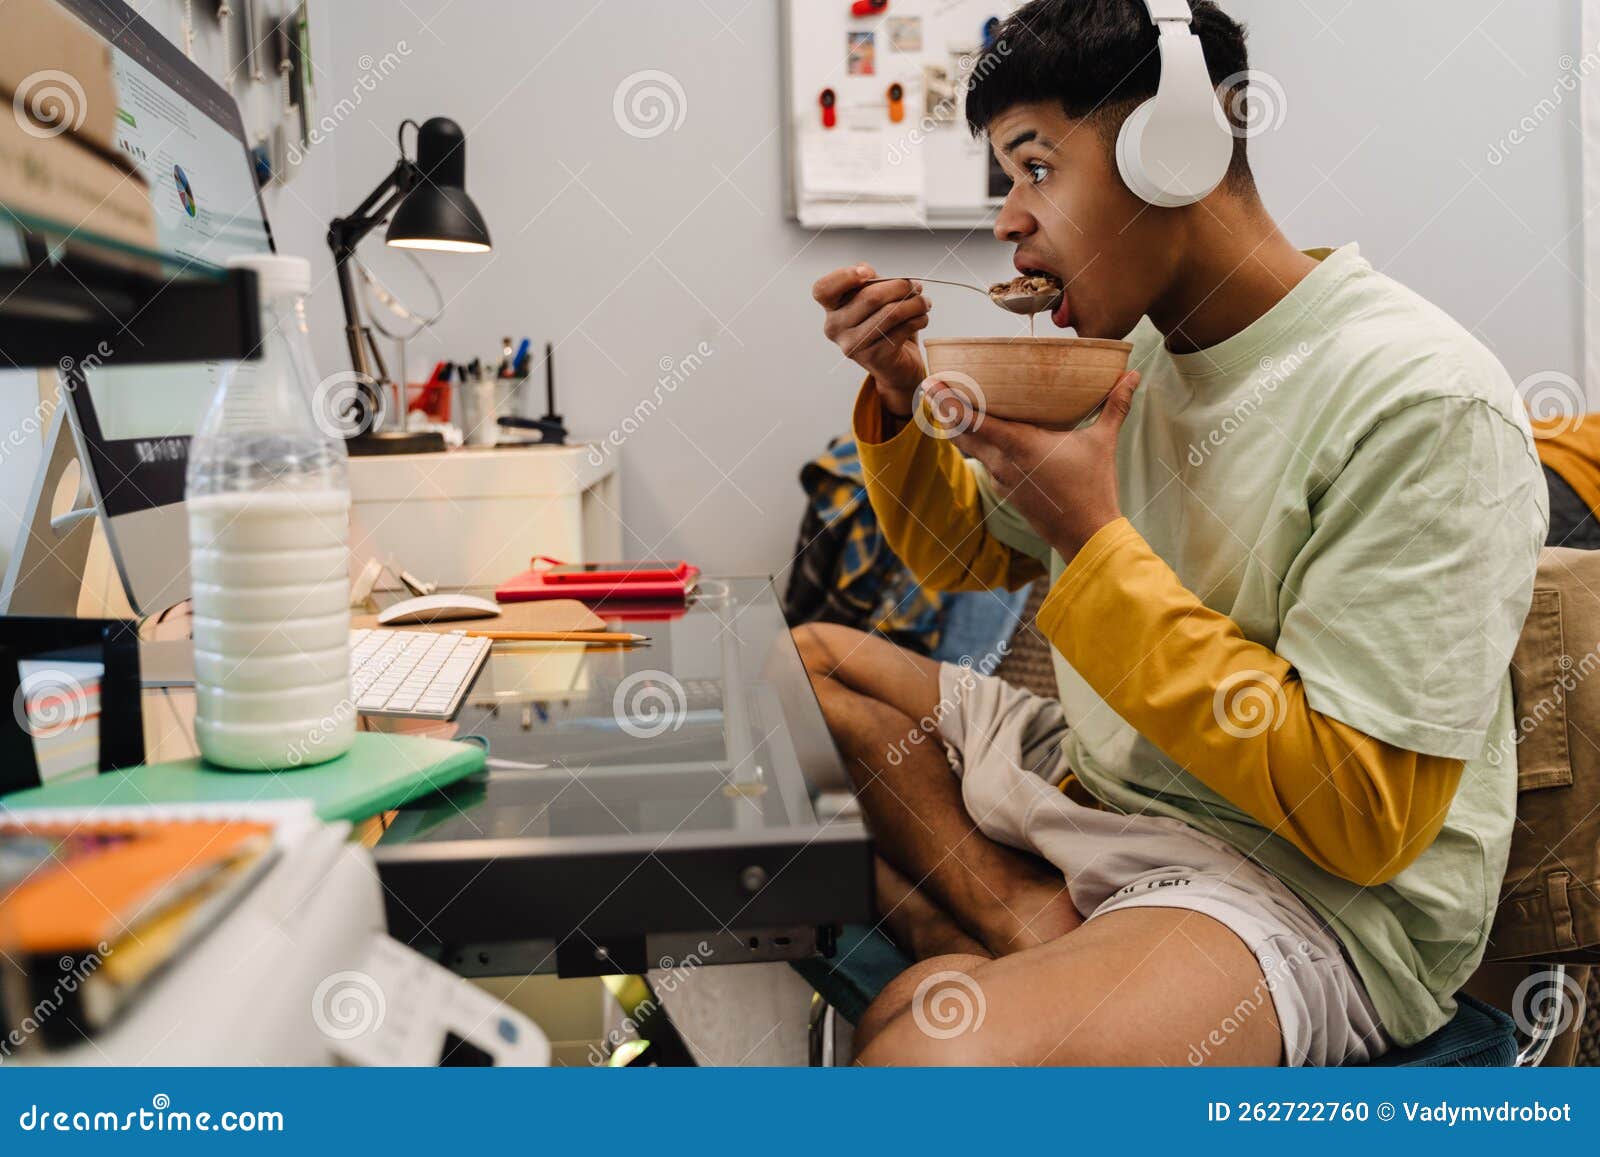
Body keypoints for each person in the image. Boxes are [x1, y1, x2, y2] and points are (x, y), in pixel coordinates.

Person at [800, 0, 1547, 1067]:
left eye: (1035, 167)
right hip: (1112, 786)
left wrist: (1093, 532)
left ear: (1176, 149)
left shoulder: (1419, 398)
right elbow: (961, 556)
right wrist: (897, 389)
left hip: (1302, 885)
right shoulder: (1135, 360)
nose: (1009, 220)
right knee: (804, 674)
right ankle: (1025, 922)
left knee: (934, 1051)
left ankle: (1018, 956)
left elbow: (1361, 815)